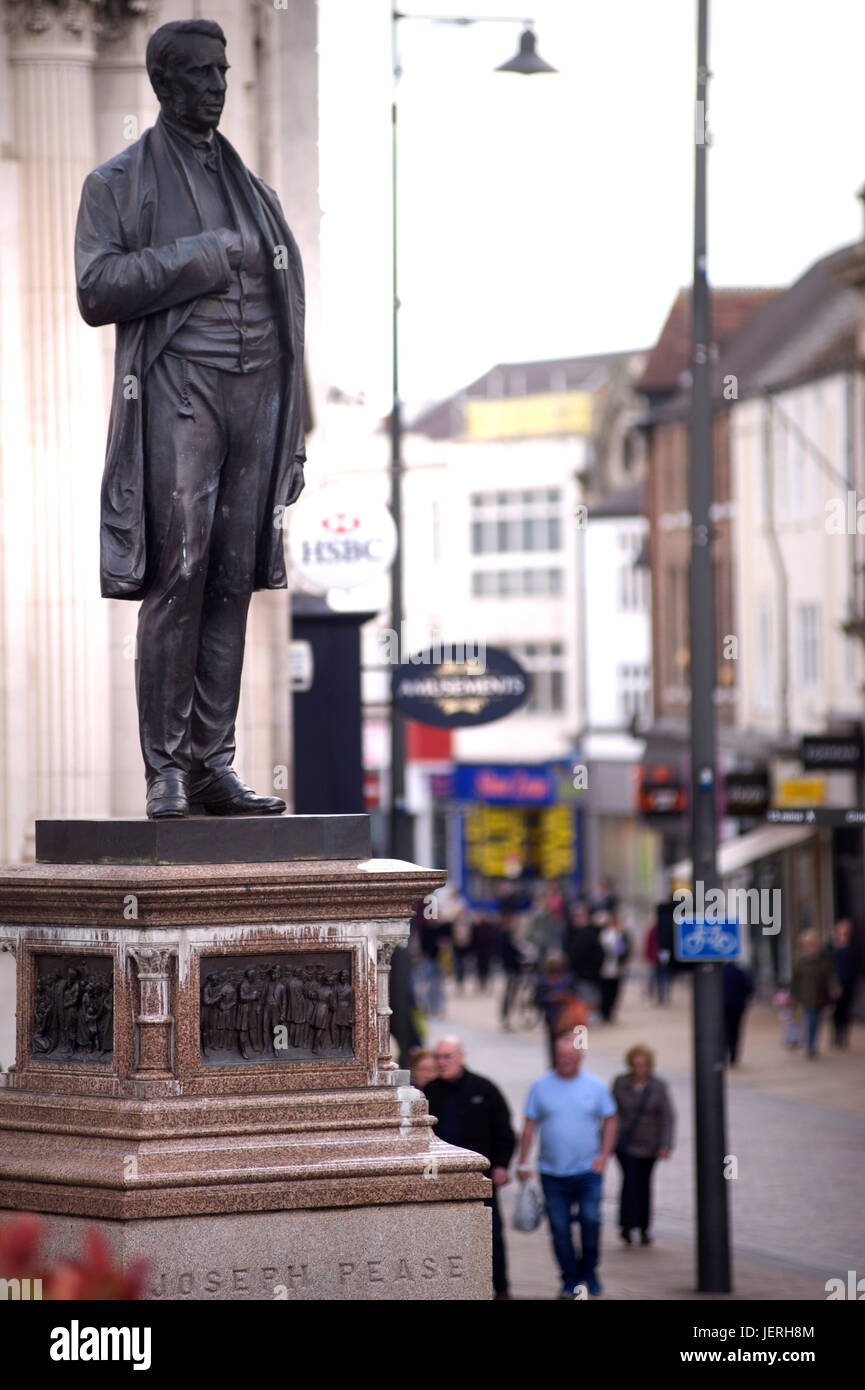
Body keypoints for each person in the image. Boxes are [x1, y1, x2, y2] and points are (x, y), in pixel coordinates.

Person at [75, 19, 306, 819]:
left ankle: (212, 762)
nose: (217, 86)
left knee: (231, 578)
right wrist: (202, 256)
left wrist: (294, 432)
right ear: (165, 85)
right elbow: (96, 287)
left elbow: (290, 317)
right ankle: (165, 766)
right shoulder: (117, 183)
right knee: (178, 573)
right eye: (204, 73)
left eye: (223, 71)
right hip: (179, 389)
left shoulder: (257, 192)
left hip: (259, 394)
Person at [517, 1032, 617, 1298]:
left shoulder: (595, 1086)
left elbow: (611, 1119)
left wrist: (604, 1155)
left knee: (591, 1219)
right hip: (551, 1171)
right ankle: (569, 1277)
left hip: (587, 1170)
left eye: (570, 1057)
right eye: (561, 1057)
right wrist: (523, 1161)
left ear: (581, 1058)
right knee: (559, 1228)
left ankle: (590, 1269)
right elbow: (529, 1126)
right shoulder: (540, 1086)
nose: (565, 1061)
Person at [424, 1037, 516, 1300]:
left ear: (461, 1056)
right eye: (438, 1057)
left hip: (481, 1176)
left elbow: (504, 1130)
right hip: (440, 1178)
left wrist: (502, 1165)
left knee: (491, 1234)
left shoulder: (484, 1089)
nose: (442, 1063)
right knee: (443, 1234)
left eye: (447, 1057)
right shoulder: (429, 1091)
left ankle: (500, 1287)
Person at [611, 1045, 675, 1246]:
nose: (639, 1069)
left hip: (649, 1145)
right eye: (636, 1064)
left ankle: (644, 1227)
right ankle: (627, 1226)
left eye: (643, 1065)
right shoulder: (620, 1083)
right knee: (630, 1182)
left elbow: (667, 1116)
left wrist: (665, 1144)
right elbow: (610, 1112)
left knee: (645, 1184)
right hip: (626, 1144)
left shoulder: (658, 1086)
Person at [789, 929, 839, 1058]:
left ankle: (812, 1043)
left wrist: (834, 988)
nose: (811, 947)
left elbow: (830, 976)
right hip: (806, 997)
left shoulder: (823, 960)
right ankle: (810, 1046)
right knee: (810, 1020)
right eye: (808, 944)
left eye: (813, 944)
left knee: (817, 1021)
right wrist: (792, 995)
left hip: (821, 997)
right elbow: (795, 979)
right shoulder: (801, 961)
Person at [534, 953, 581, 1068]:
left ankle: (572, 1063)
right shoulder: (543, 980)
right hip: (552, 1017)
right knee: (553, 1043)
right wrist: (550, 998)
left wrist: (564, 997)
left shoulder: (569, 978)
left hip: (568, 1016)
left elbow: (576, 994)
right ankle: (555, 1065)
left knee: (571, 1041)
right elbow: (537, 999)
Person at [563, 899, 603, 1009]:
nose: (578, 919)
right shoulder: (570, 933)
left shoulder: (591, 933)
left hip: (589, 975)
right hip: (577, 974)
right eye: (576, 916)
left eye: (581, 915)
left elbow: (599, 954)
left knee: (590, 1002)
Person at [828, 918, 858, 1049]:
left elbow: (855, 966)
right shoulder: (831, 947)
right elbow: (829, 967)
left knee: (846, 1010)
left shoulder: (852, 947)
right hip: (835, 984)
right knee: (836, 1010)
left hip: (848, 983)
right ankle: (836, 1036)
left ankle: (844, 1036)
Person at [596, 915, 630, 1023]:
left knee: (612, 992)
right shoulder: (601, 936)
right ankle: (605, 1012)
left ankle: (608, 1012)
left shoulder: (617, 935)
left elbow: (623, 951)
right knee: (607, 992)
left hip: (614, 968)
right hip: (605, 968)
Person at [722, 960, 755, 1065]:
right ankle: (733, 1053)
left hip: (724, 1006)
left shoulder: (721, 973)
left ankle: (725, 1053)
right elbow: (749, 988)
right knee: (736, 1030)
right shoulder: (740, 972)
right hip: (738, 1006)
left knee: (724, 1030)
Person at [499, 912, 524, 1030]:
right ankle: (506, 1018)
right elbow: (508, 954)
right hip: (511, 969)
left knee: (511, 994)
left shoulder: (510, 935)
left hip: (513, 969)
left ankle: (508, 1018)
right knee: (509, 994)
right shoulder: (505, 936)